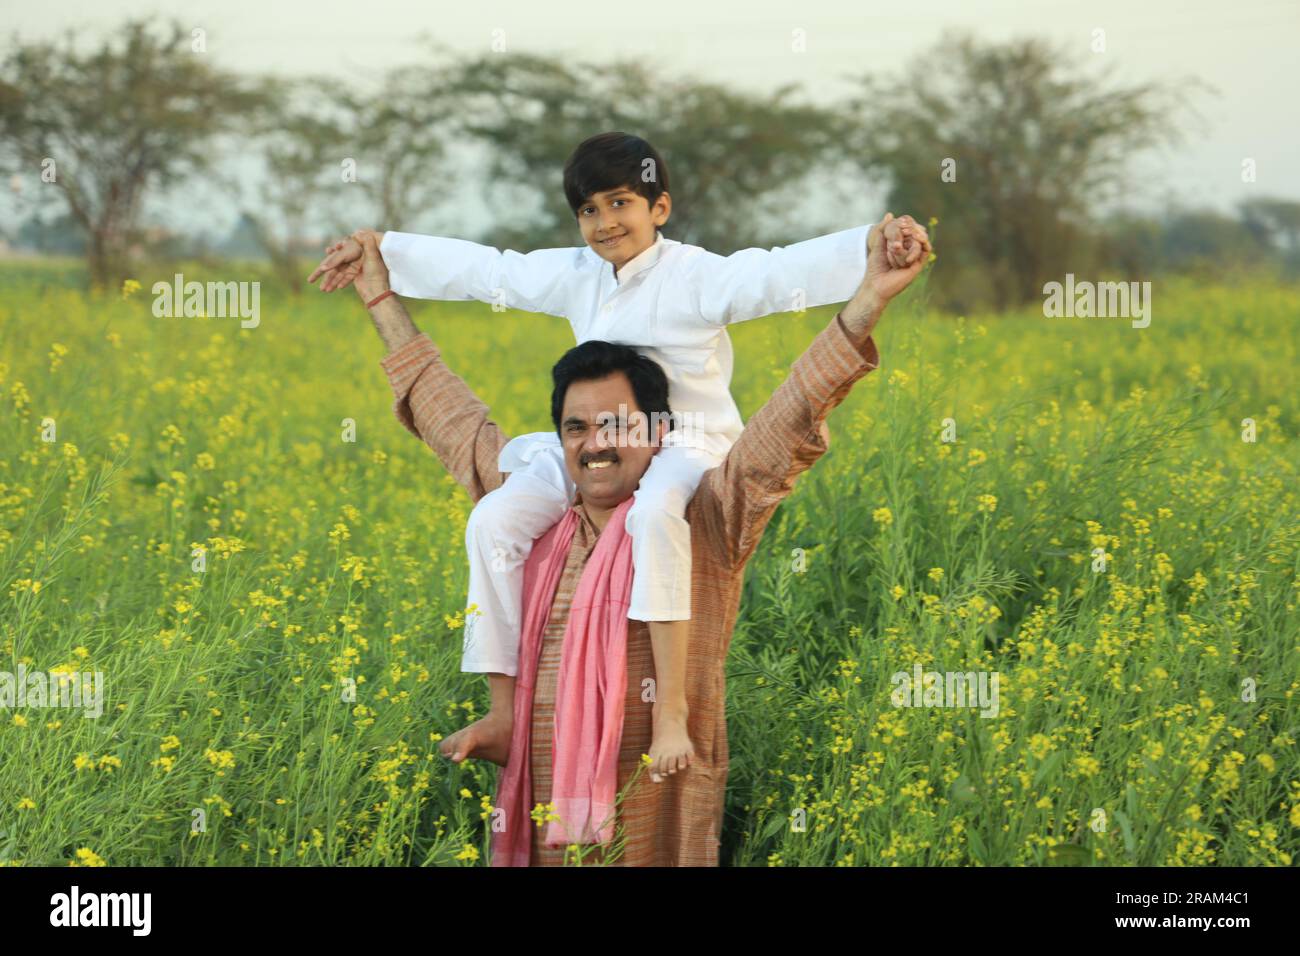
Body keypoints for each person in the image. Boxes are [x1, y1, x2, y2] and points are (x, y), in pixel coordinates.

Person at [309, 132, 929, 784]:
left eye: (620, 203)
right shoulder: (578, 275)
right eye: (589, 211)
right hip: (594, 443)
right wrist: (382, 250)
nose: (605, 223)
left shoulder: (697, 275)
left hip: (683, 443)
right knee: (492, 520)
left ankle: (671, 712)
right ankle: (501, 712)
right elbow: (493, 269)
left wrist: (871, 247)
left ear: (659, 208)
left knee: (655, 512)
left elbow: (774, 273)